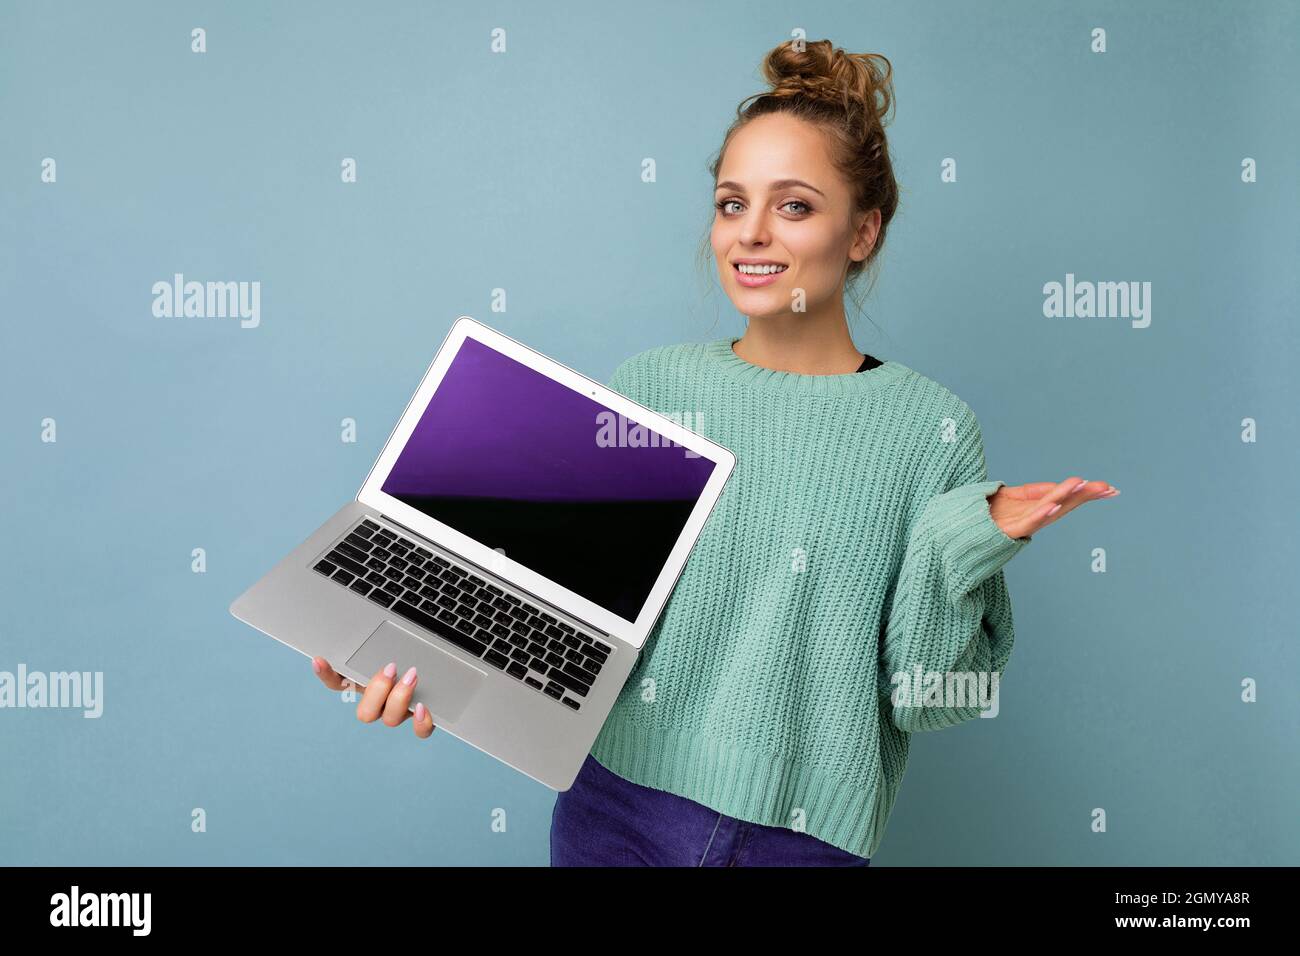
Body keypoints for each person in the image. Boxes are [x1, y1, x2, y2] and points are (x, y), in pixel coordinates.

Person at [311, 38, 1117, 866]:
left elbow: (925, 700)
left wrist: (968, 543)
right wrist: (403, 652)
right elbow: (560, 604)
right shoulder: (651, 388)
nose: (751, 233)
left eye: (794, 205)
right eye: (732, 203)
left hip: (802, 843)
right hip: (611, 806)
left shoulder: (930, 430)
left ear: (864, 230)